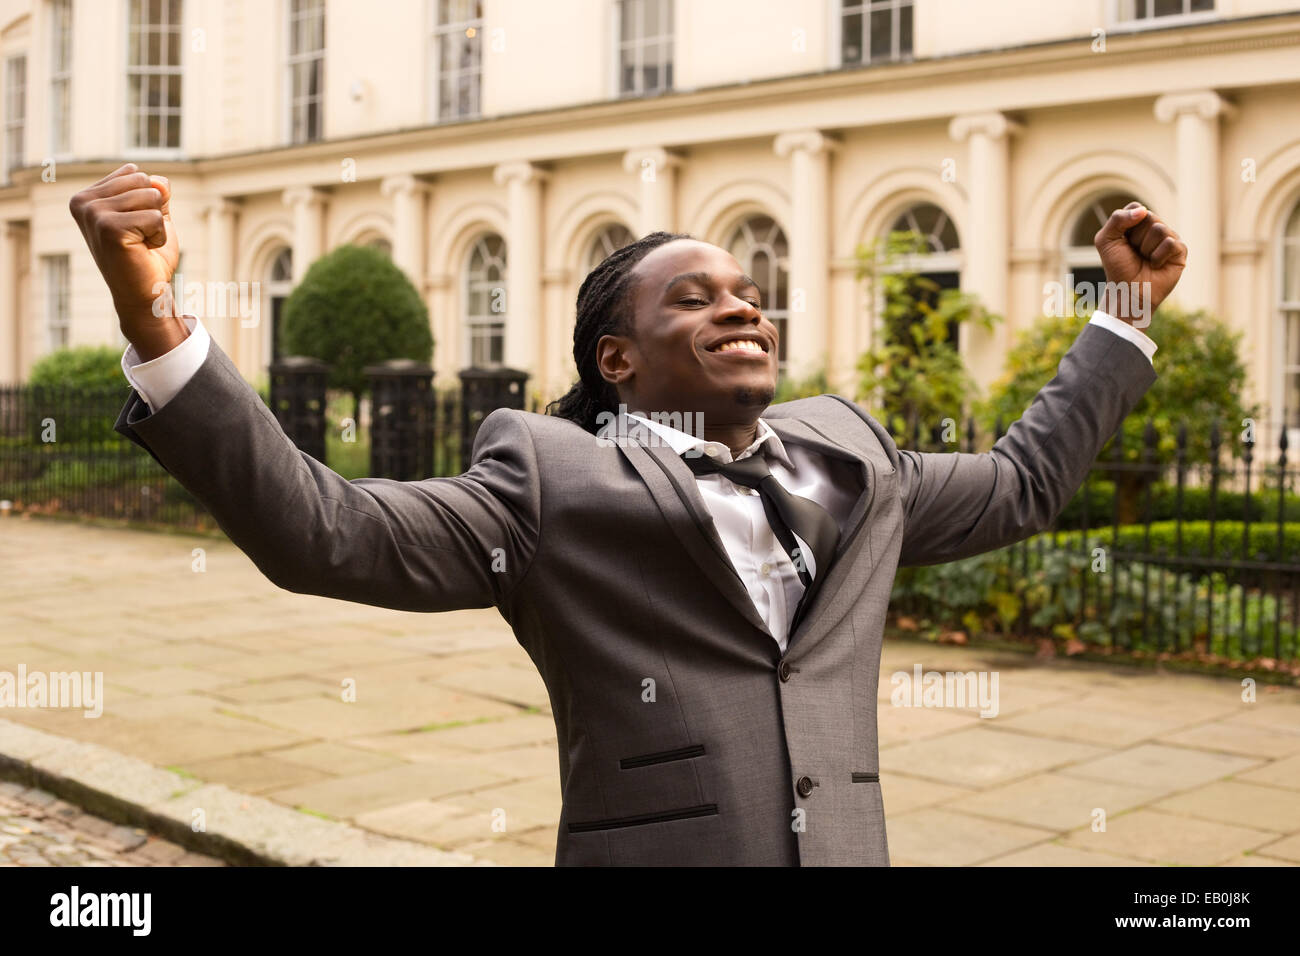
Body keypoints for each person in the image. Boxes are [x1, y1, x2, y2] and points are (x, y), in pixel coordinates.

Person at [69, 163, 1185, 866]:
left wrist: (1122, 311)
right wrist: (158, 319)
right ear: (619, 359)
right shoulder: (549, 481)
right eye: (692, 297)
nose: (739, 303)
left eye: (746, 291)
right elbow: (325, 528)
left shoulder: (855, 457)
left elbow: (1025, 482)